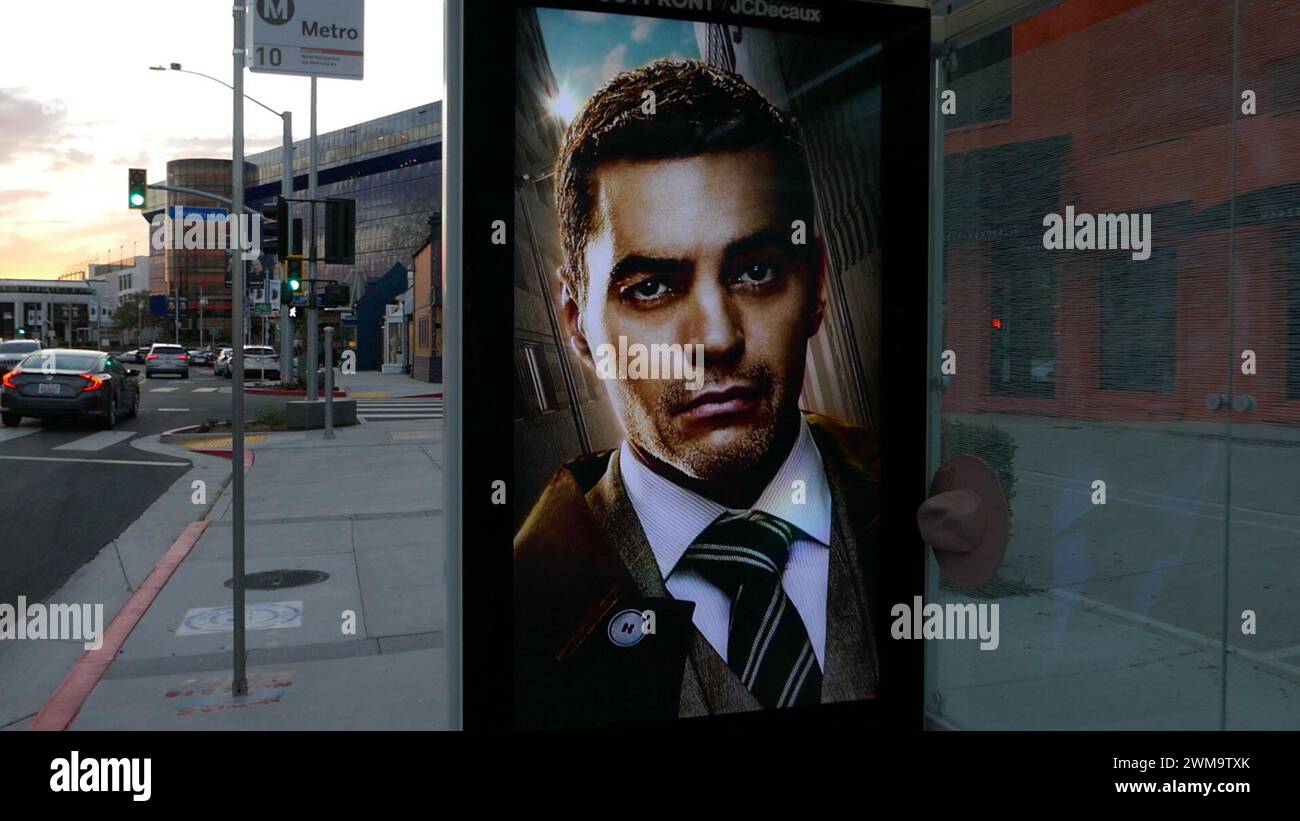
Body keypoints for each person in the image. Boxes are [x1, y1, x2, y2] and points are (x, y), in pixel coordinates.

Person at [514, 60, 886, 727]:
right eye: (652, 287)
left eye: (757, 270)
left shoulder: (918, 508)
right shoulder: (522, 613)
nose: (715, 338)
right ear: (577, 324)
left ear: (818, 284)